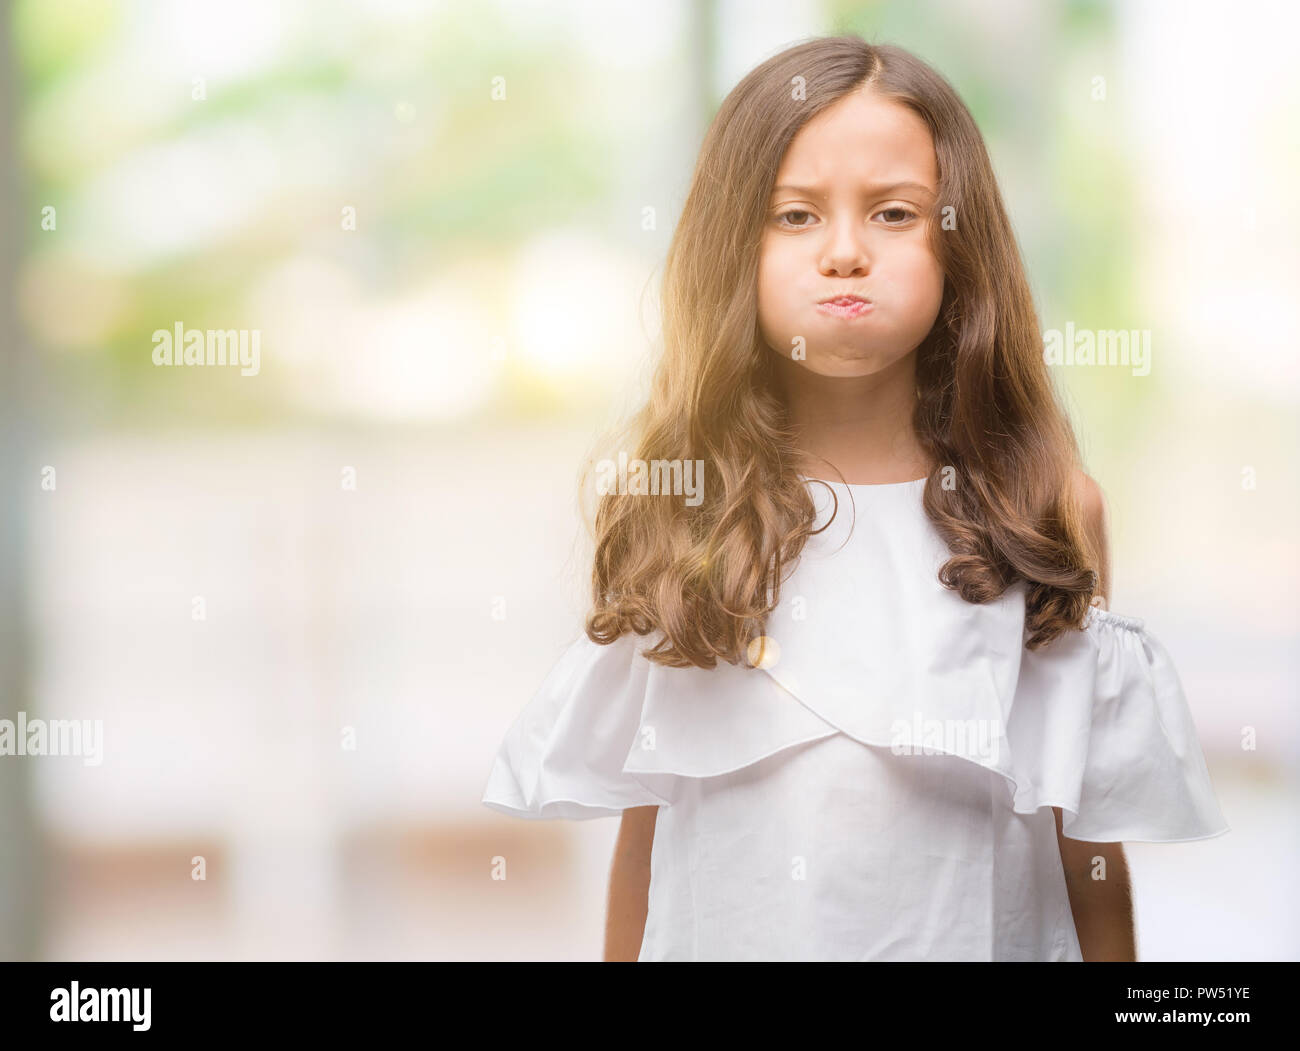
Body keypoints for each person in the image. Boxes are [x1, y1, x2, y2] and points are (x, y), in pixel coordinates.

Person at [481, 36, 1228, 962]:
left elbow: (1087, 850)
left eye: (893, 213)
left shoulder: (1047, 510)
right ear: (731, 245)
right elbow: (648, 839)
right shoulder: (680, 513)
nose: (843, 252)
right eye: (794, 215)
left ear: (958, 243)